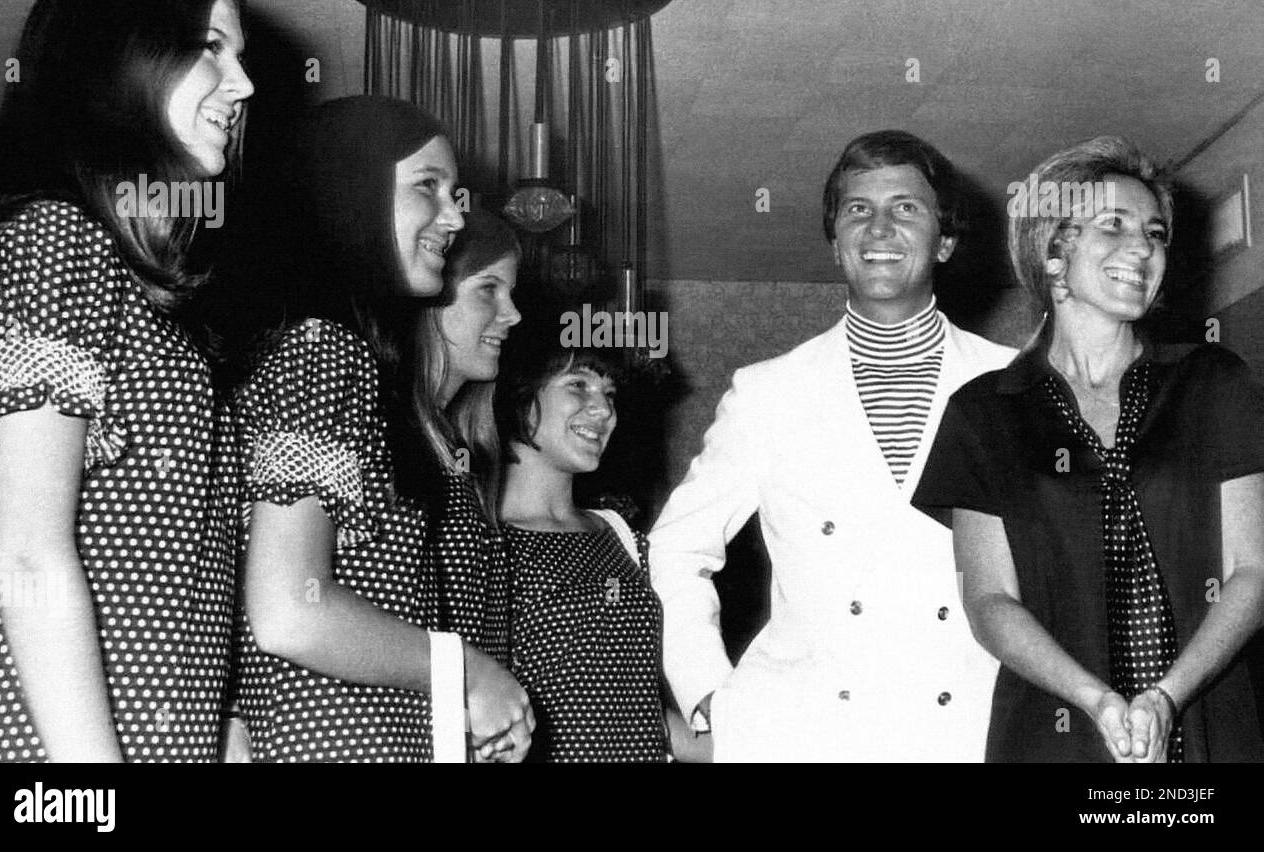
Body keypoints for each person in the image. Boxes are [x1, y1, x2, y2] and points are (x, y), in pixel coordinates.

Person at [0, 0, 252, 762]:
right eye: (213, 49)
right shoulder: (56, 239)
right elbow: (25, 552)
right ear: (125, 56)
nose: (245, 85)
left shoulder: (133, 288)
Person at [649, 130, 1016, 762]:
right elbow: (677, 545)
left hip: (966, 733)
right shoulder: (767, 392)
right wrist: (707, 692)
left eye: (906, 208)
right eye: (857, 210)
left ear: (946, 240)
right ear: (835, 243)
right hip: (806, 737)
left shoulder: (1012, 385)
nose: (879, 228)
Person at [912, 136, 1264, 762]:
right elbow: (989, 599)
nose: (1144, 248)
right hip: (1052, 734)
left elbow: (1253, 572)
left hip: (1207, 727)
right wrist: (1097, 700)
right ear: (1053, 251)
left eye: (1155, 233)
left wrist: (1165, 699)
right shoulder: (983, 412)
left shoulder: (1213, 382)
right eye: (1114, 226)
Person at [230, 99, 532, 762]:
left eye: (455, 194)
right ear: (346, 193)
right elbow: (288, 612)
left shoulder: (335, 357)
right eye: (427, 187)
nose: (454, 215)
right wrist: (467, 673)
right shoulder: (324, 350)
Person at [494, 315, 672, 762]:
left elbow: (641, 712)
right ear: (520, 392)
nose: (604, 410)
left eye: (609, 394)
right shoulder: (480, 540)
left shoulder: (621, 534)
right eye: (578, 386)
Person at [387, 208, 525, 750]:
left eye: (510, 293)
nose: (511, 314)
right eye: (488, 289)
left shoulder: (465, 459)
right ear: (431, 302)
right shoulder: (383, 434)